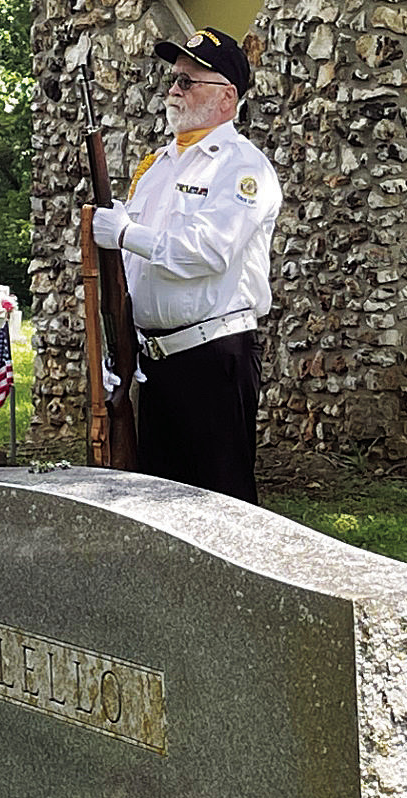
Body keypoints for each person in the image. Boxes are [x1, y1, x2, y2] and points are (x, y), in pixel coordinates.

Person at [88, 28, 282, 503]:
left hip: (213, 358)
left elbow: (208, 250)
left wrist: (126, 234)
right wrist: (121, 343)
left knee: (221, 506)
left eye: (188, 81)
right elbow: (133, 271)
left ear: (226, 97)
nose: (174, 90)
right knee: (162, 504)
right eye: (174, 79)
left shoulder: (242, 168)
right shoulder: (157, 166)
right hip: (156, 363)